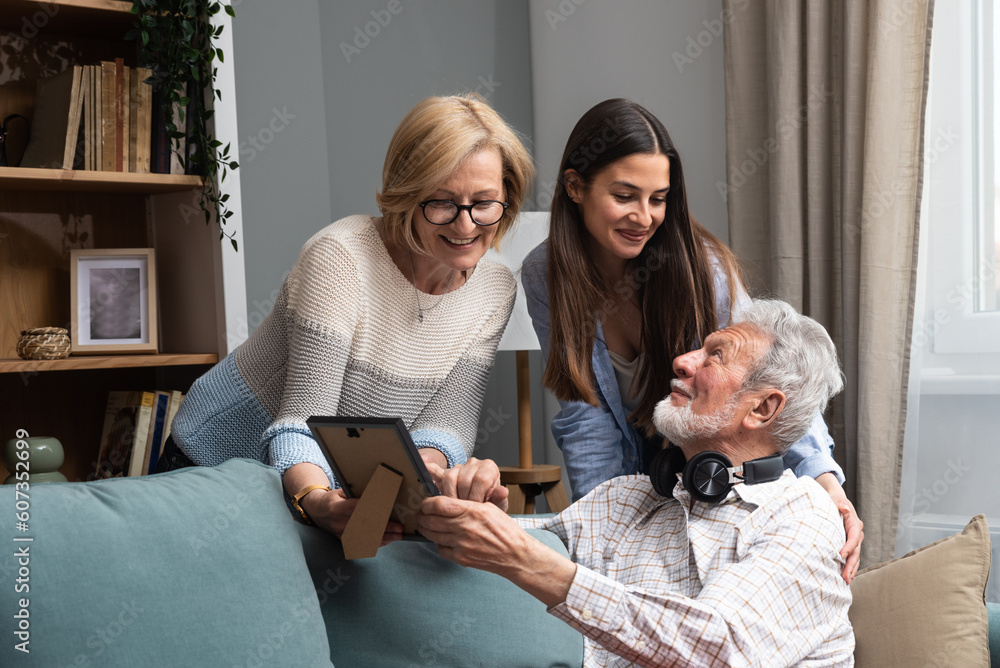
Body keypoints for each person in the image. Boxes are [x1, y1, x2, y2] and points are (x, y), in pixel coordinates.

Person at [520, 98, 863, 580]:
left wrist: (825, 481)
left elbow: (773, 378)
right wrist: (606, 534)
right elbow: (585, 417)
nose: (644, 216)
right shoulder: (544, 273)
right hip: (642, 485)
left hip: (716, 478)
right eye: (624, 196)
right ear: (575, 187)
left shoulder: (702, 266)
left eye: (658, 198)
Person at [165, 94, 532, 539]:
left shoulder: (495, 288)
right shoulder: (341, 258)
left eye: (485, 202)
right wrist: (316, 501)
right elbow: (301, 421)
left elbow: (447, 421)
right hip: (222, 461)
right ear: (406, 194)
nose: (466, 225)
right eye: (441, 202)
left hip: (332, 487)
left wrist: (425, 477)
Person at [419, 299, 856, 667]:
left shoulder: (804, 517)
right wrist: (469, 508)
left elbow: (720, 649)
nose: (682, 362)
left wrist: (532, 564)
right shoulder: (623, 499)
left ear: (762, 409)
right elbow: (510, 547)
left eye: (715, 356)